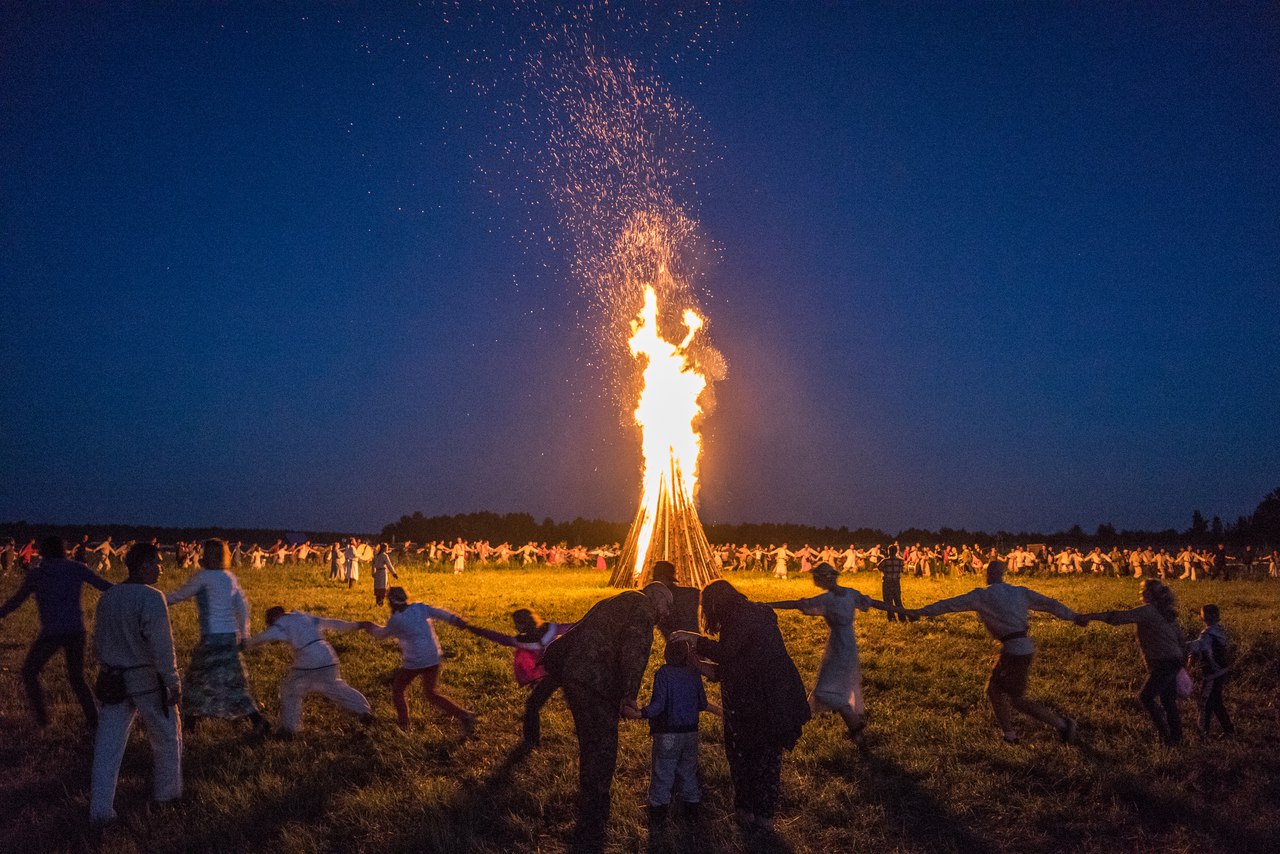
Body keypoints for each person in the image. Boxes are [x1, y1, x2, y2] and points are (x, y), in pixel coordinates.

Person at [539, 582, 672, 852]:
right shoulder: (643, 608)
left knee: (591, 740)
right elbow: (635, 652)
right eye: (667, 604)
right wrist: (630, 695)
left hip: (575, 674)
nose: (667, 612)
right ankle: (596, 806)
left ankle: (590, 796)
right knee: (603, 743)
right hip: (595, 681)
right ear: (655, 595)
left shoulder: (618, 600)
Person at [671, 580, 810, 834]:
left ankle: (759, 817)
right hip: (764, 700)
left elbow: (727, 654)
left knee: (754, 758)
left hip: (761, 704)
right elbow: (736, 666)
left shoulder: (740, 620)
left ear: (715, 604)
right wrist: (698, 663)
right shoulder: (752, 618)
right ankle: (751, 814)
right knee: (754, 759)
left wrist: (696, 640)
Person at [906, 559, 1079, 744]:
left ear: (987, 574)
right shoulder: (1019, 592)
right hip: (1014, 649)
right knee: (994, 690)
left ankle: (1064, 725)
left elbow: (949, 604)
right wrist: (1074, 616)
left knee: (1017, 700)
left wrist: (922, 612)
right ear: (1003, 574)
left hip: (1016, 652)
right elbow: (1050, 604)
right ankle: (1010, 736)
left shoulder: (982, 596)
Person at [88, 542, 182, 827]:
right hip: (146, 680)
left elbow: (97, 642)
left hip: (114, 679)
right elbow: (163, 646)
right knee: (166, 736)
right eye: (157, 562)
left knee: (108, 746)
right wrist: (173, 681)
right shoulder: (152, 598)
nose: (161, 568)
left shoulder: (109, 597)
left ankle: (100, 810)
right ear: (143, 566)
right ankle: (167, 795)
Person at [764, 562, 896, 742]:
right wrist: (901, 609)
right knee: (837, 685)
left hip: (840, 646)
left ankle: (855, 724)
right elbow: (873, 603)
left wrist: (766, 605)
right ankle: (856, 732)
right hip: (845, 643)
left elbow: (796, 604)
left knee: (825, 690)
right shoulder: (849, 594)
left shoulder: (828, 599)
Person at [0, 535, 111, 729]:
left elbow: (16, 600)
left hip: (52, 633)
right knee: (77, 678)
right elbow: (105, 586)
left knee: (29, 671)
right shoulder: (77, 568)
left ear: (43, 552)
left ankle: (43, 720)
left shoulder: (37, 574)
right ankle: (95, 722)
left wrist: (1, 613)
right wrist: (134, 588)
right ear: (63, 549)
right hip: (76, 631)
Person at [165, 539, 269, 735]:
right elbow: (243, 606)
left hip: (212, 638)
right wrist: (244, 634)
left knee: (197, 680)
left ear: (206, 555)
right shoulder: (230, 577)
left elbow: (178, 596)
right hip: (230, 638)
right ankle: (258, 721)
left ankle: (189, 726)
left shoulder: (203, 577)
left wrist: (155, 598)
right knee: (233, 683)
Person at [622, 639, 717, 827]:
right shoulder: (694, 674)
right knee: (688, 772)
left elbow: (659, 705)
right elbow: (702, 703)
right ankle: (692, 809)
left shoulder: (663, 674)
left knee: (662, 773)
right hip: (691, 733)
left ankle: (658, 813)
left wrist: (640, 714)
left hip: (667, 734)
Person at [1080, 579, 1188, 746]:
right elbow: (1180, 638)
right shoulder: (1165, 612)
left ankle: (1167, 737)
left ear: (1149, 594)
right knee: (1168, 701)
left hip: (1164, 662)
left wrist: (1089, 616)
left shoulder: (1149, 611)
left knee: (1146, 697)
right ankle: (1176, 738)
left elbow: (1117, 617)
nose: (1141, 593)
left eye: (1143, 590)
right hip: (1172, 660)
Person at [244, 606, 373, 736]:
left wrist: (244, 644)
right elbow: (332, 623)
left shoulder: (281, 623)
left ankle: (289, 729)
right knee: (335, 687)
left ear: (274, 617)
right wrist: (357, 625)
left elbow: (264, 637)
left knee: (290, 689)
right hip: (327, 655)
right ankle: (363, 710)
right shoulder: (303, 617)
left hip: (309, 658)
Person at [364, 586, 475, 734]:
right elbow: (439, 613)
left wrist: (369, 627)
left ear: (390, 602)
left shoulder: (396, 620)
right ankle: (464, 715)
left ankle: (404, 726)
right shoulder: (419, 607)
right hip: (433, 656)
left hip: (415, 661)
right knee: (431, 694)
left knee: (398, 689)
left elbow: (381, 634)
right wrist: (456, 620)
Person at [461, 607, 574, 749]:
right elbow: (574, 626)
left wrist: (476, 630)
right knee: (573, 704)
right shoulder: (551, 628)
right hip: (566, 671)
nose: (515, 627)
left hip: (552, 676)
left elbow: (500, 638)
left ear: (522, 625)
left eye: (516, 623)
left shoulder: (521, 640)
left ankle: (531, 741)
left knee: (532, 706)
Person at [1187, 603, 1234, 739]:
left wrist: (1178, 644)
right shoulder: (1220, 630)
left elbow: (1199, 646)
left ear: (1202, 617)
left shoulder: (1207, 634)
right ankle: (1229, 730)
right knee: (1216, 702)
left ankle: (1202, 733)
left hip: (1212, 673)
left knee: (1205, 702)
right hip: (1222, 670)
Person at [650, 560, 701, 635]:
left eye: (655, 577)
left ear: (662, 578)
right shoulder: (692, 593)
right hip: (694, 639)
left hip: (681, 640)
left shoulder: (663, 600)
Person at [878, 544, 909, 621]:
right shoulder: (900, 561)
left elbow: (879, 567)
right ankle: (902, 618)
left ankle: (892, 618)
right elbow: (902, 570)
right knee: (898, 600)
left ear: (889, 551)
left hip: (887, 582)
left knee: (888, 601)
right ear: (896, 552)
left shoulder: (885, 561)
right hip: (896, 582)